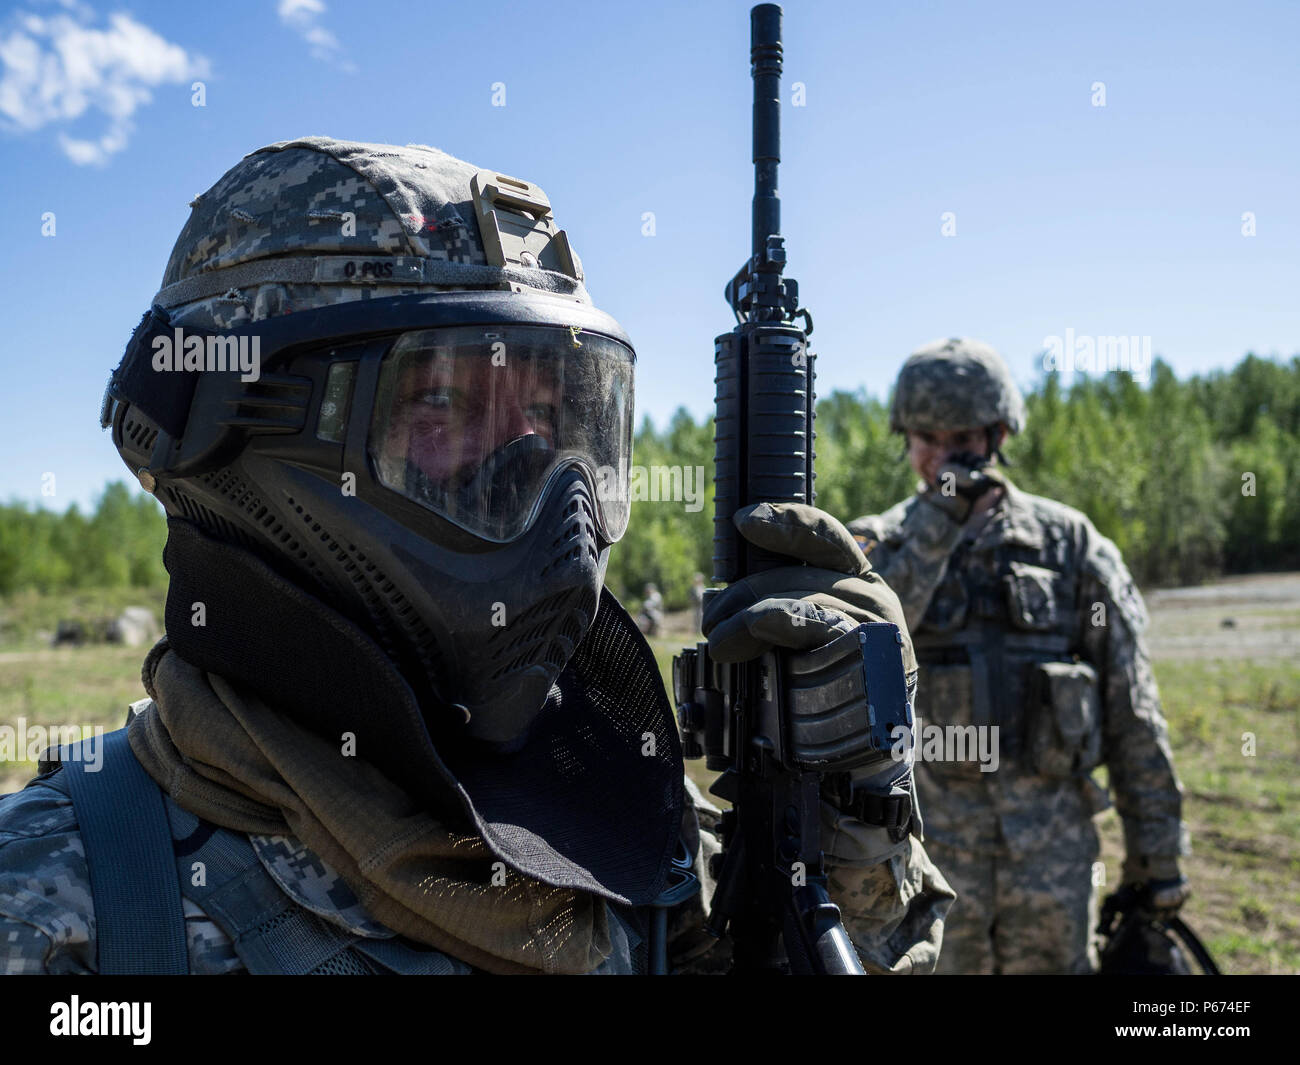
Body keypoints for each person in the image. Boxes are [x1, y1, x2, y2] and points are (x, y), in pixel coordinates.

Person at [0, 137, 952, 975]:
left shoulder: (635, 847)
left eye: (555, 415)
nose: (543, 478)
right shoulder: (62, 902)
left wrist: (846, 812)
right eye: (446, 404)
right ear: (220, 428)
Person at [845, 337, 1191, 975]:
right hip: (929, 872)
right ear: (906, 438)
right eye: (927, 437)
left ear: (998, 432)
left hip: (1052, 868)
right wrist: (937, 522)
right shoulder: (876, 546)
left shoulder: (1069, 547)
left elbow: (1133, 712)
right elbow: (860, 648)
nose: (944, 453)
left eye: (963, 437)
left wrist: (1158, 861)